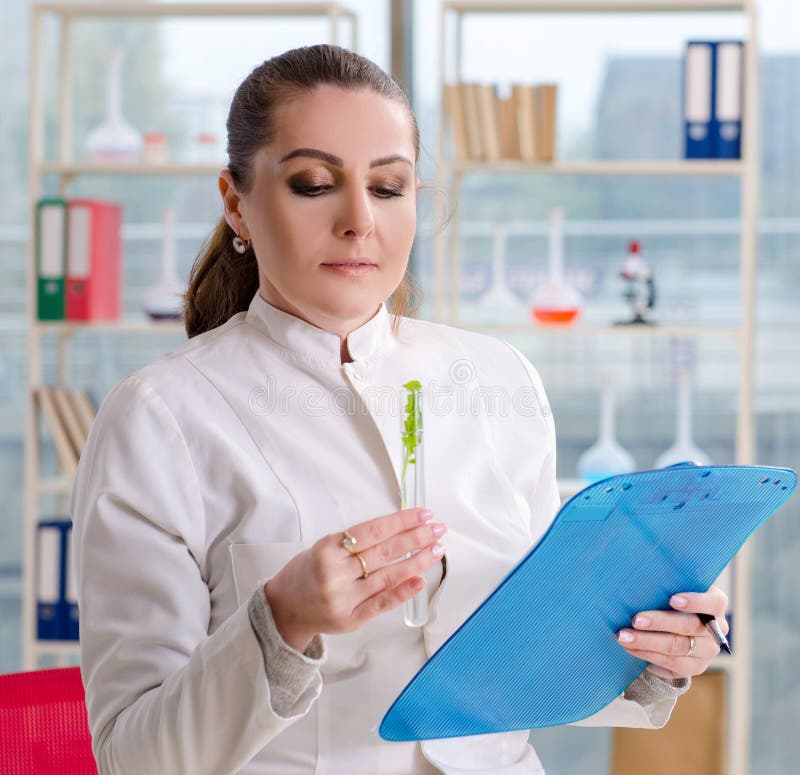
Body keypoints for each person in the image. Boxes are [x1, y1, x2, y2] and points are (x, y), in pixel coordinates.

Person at [70, 44, 729, 775]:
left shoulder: (497, 378)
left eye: (388, 187)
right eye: (315, 184)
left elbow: (530, 664)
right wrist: (280, 622)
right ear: (236, 202)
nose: (359, 221)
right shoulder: (159, 416)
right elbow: (133, 755)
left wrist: (650, 654)